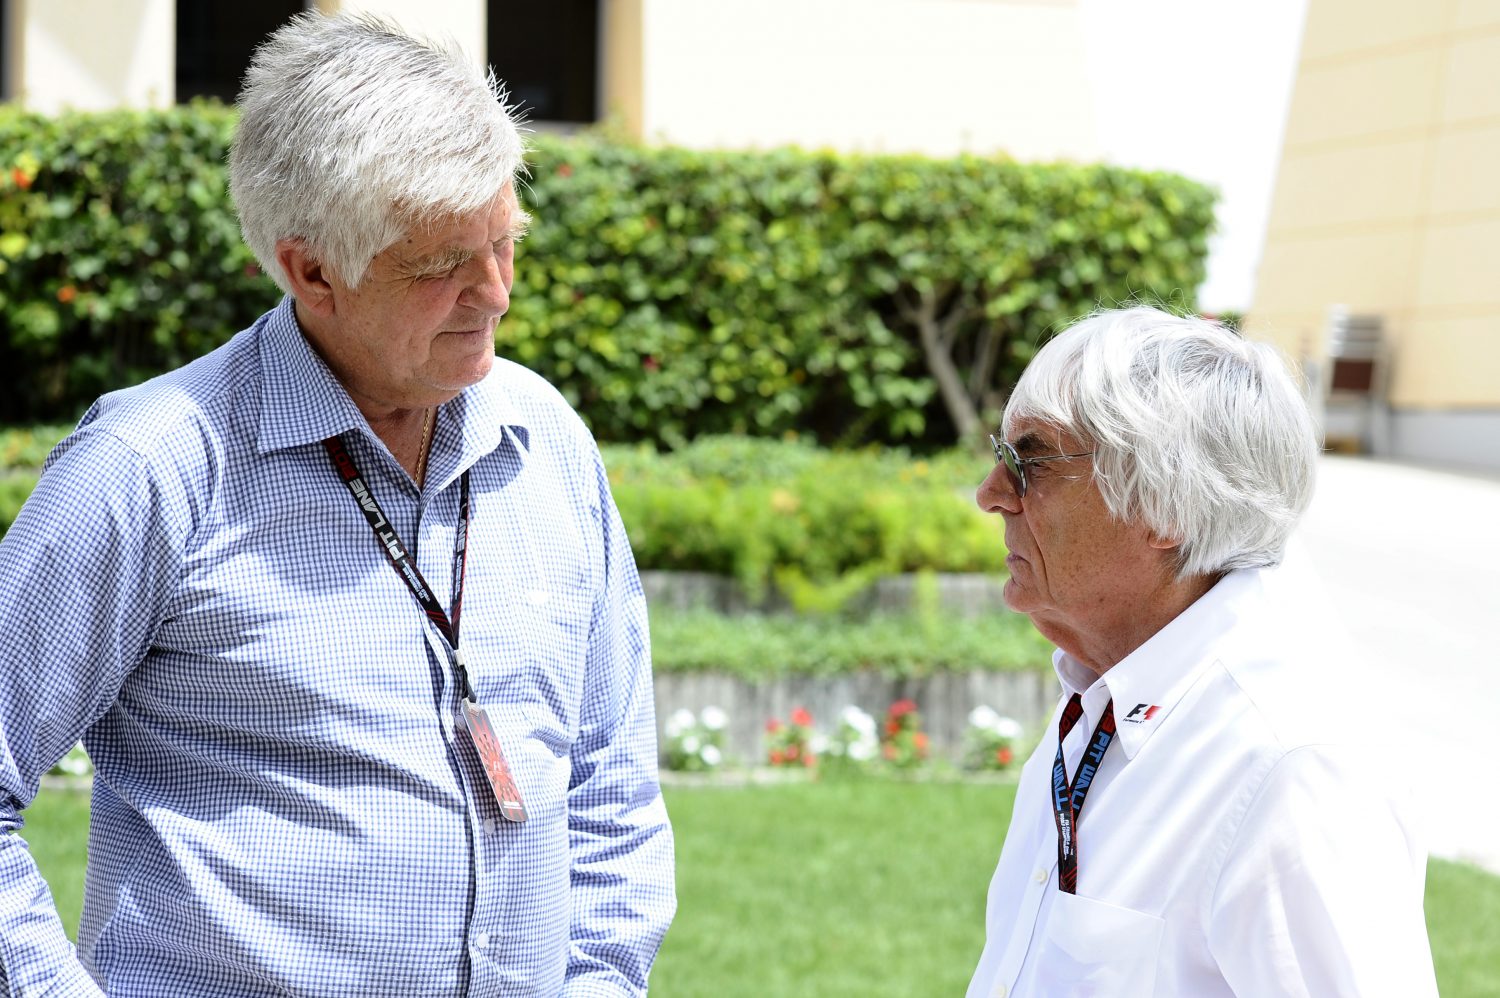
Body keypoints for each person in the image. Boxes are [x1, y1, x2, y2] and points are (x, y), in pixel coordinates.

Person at [0, 13, 674, 996]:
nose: (494, 293)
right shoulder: (146, 469)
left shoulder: (548, 443)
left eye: (505, 243)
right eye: (443, 264)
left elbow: (613, 785)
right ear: (311, 269)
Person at [966, 307, 1436, 997]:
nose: (991, 495)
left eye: (1030, 461)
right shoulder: (1109, 690)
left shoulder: (1290, 767)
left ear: (1163, 505)